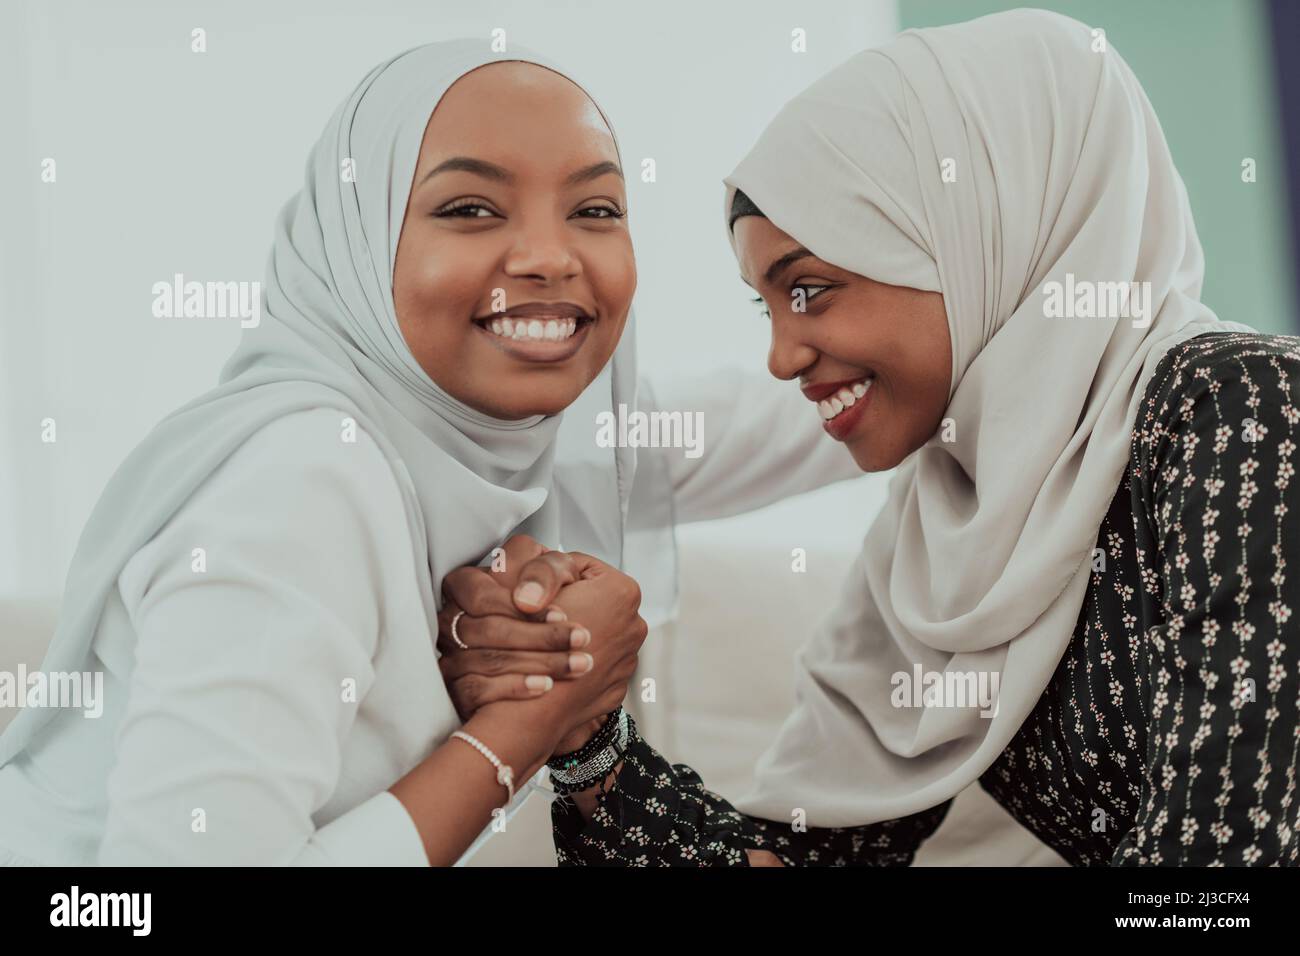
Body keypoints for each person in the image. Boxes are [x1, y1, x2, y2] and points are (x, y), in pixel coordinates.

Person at [441, 9, 1299, 866]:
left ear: (974, 237)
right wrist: (588, 733)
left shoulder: (1236, 411)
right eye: (764, 306)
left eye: (810, 288)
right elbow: (799, 860)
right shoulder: (942, 523)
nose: (781, 356)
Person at [0, 40, 857, 866]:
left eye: (595, 210)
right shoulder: (303, 478)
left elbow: (828, 403)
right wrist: (531, 722)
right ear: (358, 251)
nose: (550, 256)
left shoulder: (536, 452)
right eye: (470, 209)